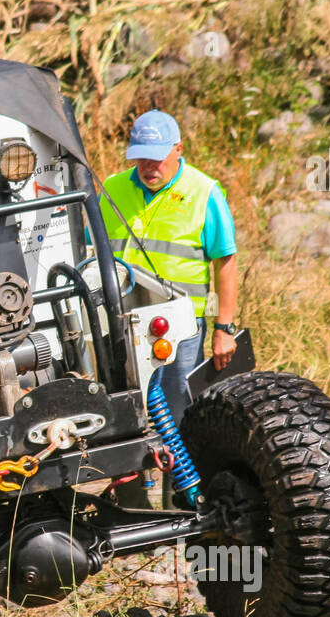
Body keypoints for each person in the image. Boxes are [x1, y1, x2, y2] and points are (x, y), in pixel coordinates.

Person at [99, 109, 238, 425]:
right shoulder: (111, 189)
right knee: (127, 417)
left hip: (182, 327)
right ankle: (135, 475)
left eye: (157, 158)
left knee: (180, 417)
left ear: (179, 149)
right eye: (141, 158)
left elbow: (226, 262)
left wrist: (224, 328)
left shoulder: (204, 192)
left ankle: (182, 476)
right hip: (124, 323)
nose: (148, 167)